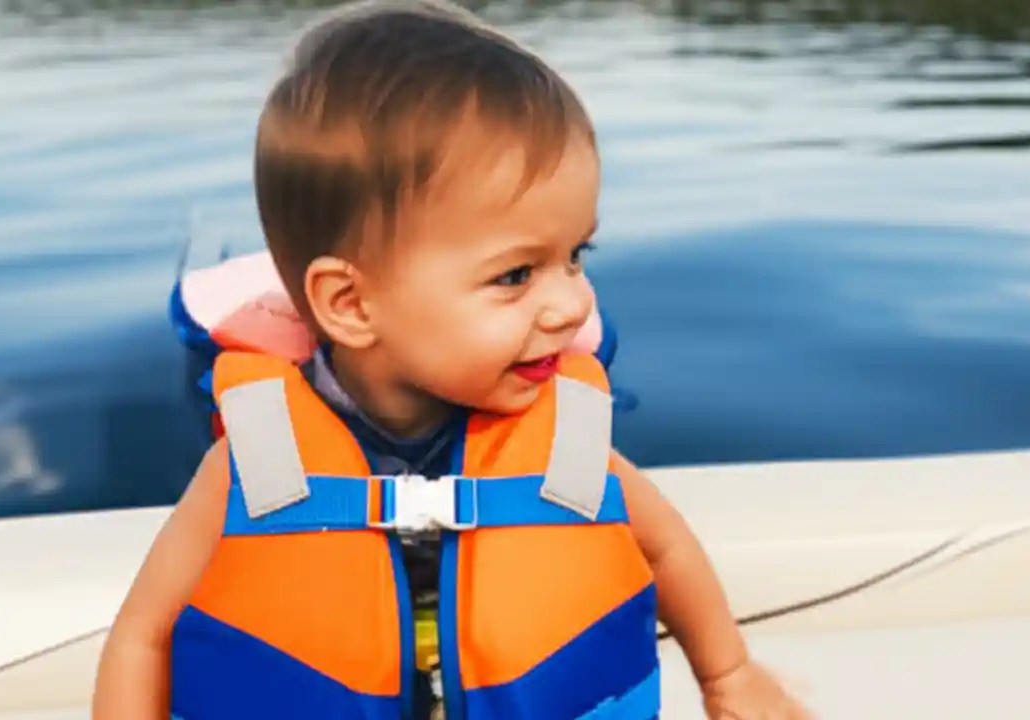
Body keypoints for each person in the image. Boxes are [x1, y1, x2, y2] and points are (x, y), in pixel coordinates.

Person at [94, 2, 811, 718]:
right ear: (350, 303)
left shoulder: (566, 446)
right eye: (515, 276)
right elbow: (142, 635)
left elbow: (668, 551)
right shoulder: (256, 463)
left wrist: (729, 676)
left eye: (574, 256)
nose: (572, 304)